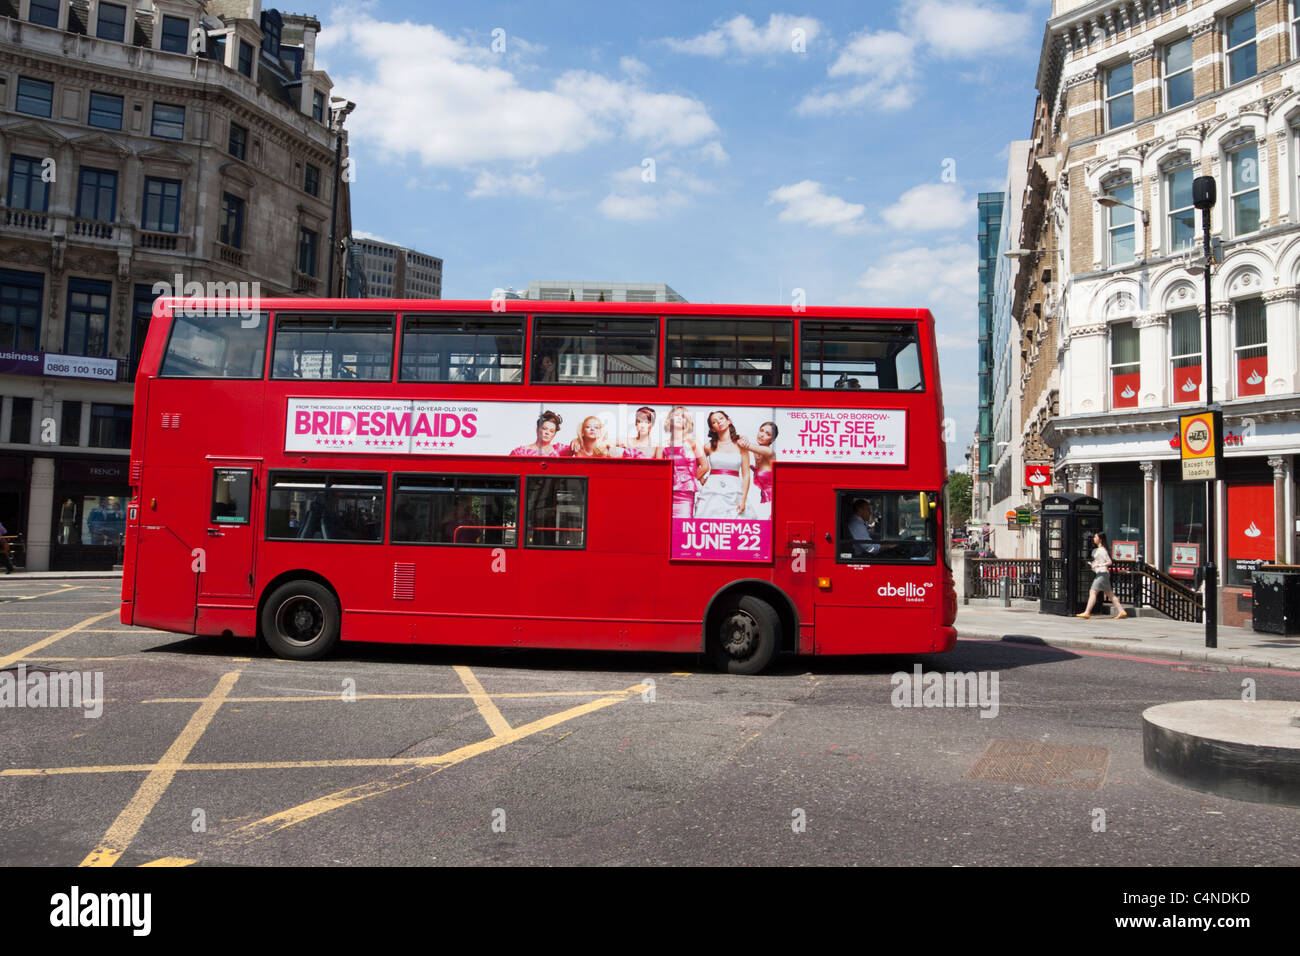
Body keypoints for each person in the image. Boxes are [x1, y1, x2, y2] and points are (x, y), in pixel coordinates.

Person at [693, 410, 753, 518]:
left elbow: (746, 474)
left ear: (729, 420)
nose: (719, 422)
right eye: (714, 422)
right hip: (711, 492)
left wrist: (743, 499)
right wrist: (701, 479)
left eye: (721, 418)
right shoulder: (709, 446)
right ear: (712, 429)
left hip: (734, 492)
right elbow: (694, 464)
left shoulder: (741, 444)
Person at [660, 406, 708, 518]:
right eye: (676, 415)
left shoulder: (693, 441)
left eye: (683, 416)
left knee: (683, 524)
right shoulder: (663, 444)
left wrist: (688, 480)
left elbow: (705, 466)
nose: (679, 418)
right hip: (667, 493)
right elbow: (660, 471)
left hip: (685, 494)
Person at [1077, 532, 1128, 620]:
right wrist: (1093, 564)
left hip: (1102, 574)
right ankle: (1121, 611)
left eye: (1095, 537)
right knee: (1110, 594)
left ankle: (1087, 612)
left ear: (1100, 539)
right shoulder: (1098, 549)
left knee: (1093, 592)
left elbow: (1109, 562)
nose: (1093, 538)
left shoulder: (1102, 550)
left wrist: (1099, 565)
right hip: (1102, 573)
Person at [737, 421, 776, 518]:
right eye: (761, 431)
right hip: (765, 500)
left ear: (772, 439)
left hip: (774, 500)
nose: (762, 435)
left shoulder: (769, 452)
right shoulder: (756, 450)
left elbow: (746, 445)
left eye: (768, 434)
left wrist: (743, 438)